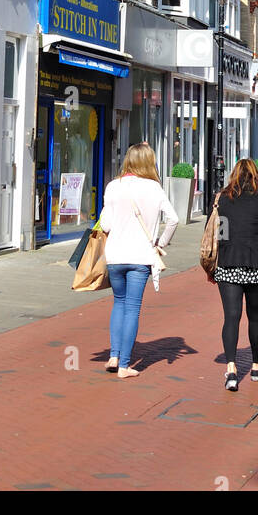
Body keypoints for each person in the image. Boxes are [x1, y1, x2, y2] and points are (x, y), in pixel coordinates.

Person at [100, 142, 178, 378]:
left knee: (118, 303)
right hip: (141, 255)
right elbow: (173, 219)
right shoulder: (155, 188)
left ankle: (114, 356)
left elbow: (106, 224)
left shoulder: (114, 186)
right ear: (149, 162)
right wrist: (160, 243)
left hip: (115, 255)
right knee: (133, 308)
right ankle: (124, 365)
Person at [213, 157, 258, 391]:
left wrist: (217, 262)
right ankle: (255, 366)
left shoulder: (224, 198)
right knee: (255, 318)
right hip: (257, 267)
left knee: (231, 318)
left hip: (229, 265)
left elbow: (220, 232)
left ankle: (231, 369)